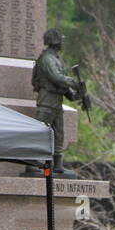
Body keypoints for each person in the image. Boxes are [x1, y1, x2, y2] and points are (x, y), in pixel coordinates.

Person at [31, 28, 81, 174]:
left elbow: (61, 83)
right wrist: (73, 82)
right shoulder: (47, 59)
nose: (63, 42)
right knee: (40, 133)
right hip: (46, 102)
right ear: (55, 41)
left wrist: (74, 94)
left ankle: (58, 164)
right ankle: (33, 163)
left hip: (56, 103)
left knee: (59, 135)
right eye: (61, 40)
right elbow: (56, 78)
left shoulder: (56, 59)